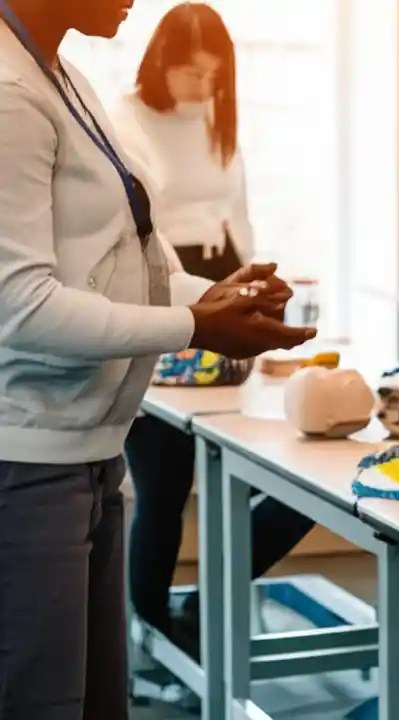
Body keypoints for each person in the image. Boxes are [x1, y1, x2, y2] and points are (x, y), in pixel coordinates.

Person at [0, 0, 315, 716]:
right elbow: (20, 306)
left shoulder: (61, 76)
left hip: (84, 449)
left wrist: (217, 298)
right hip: (27, 460)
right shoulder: (11, 94)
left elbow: (118, 262)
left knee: (95, 699)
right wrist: (194, 325)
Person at [113, 2, 316, 656]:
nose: (206, 88)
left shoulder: (214, 119)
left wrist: (257, 297)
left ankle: (200, 610)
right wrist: (191, 307)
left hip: (224, 286)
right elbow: (140, 234)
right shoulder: (124, 120)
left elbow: (239, 215)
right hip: (166, 294)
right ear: (160, 62)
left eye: (215, 75)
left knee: (274, 472)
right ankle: (152, 630)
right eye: (193, 73)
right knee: (163, 486)